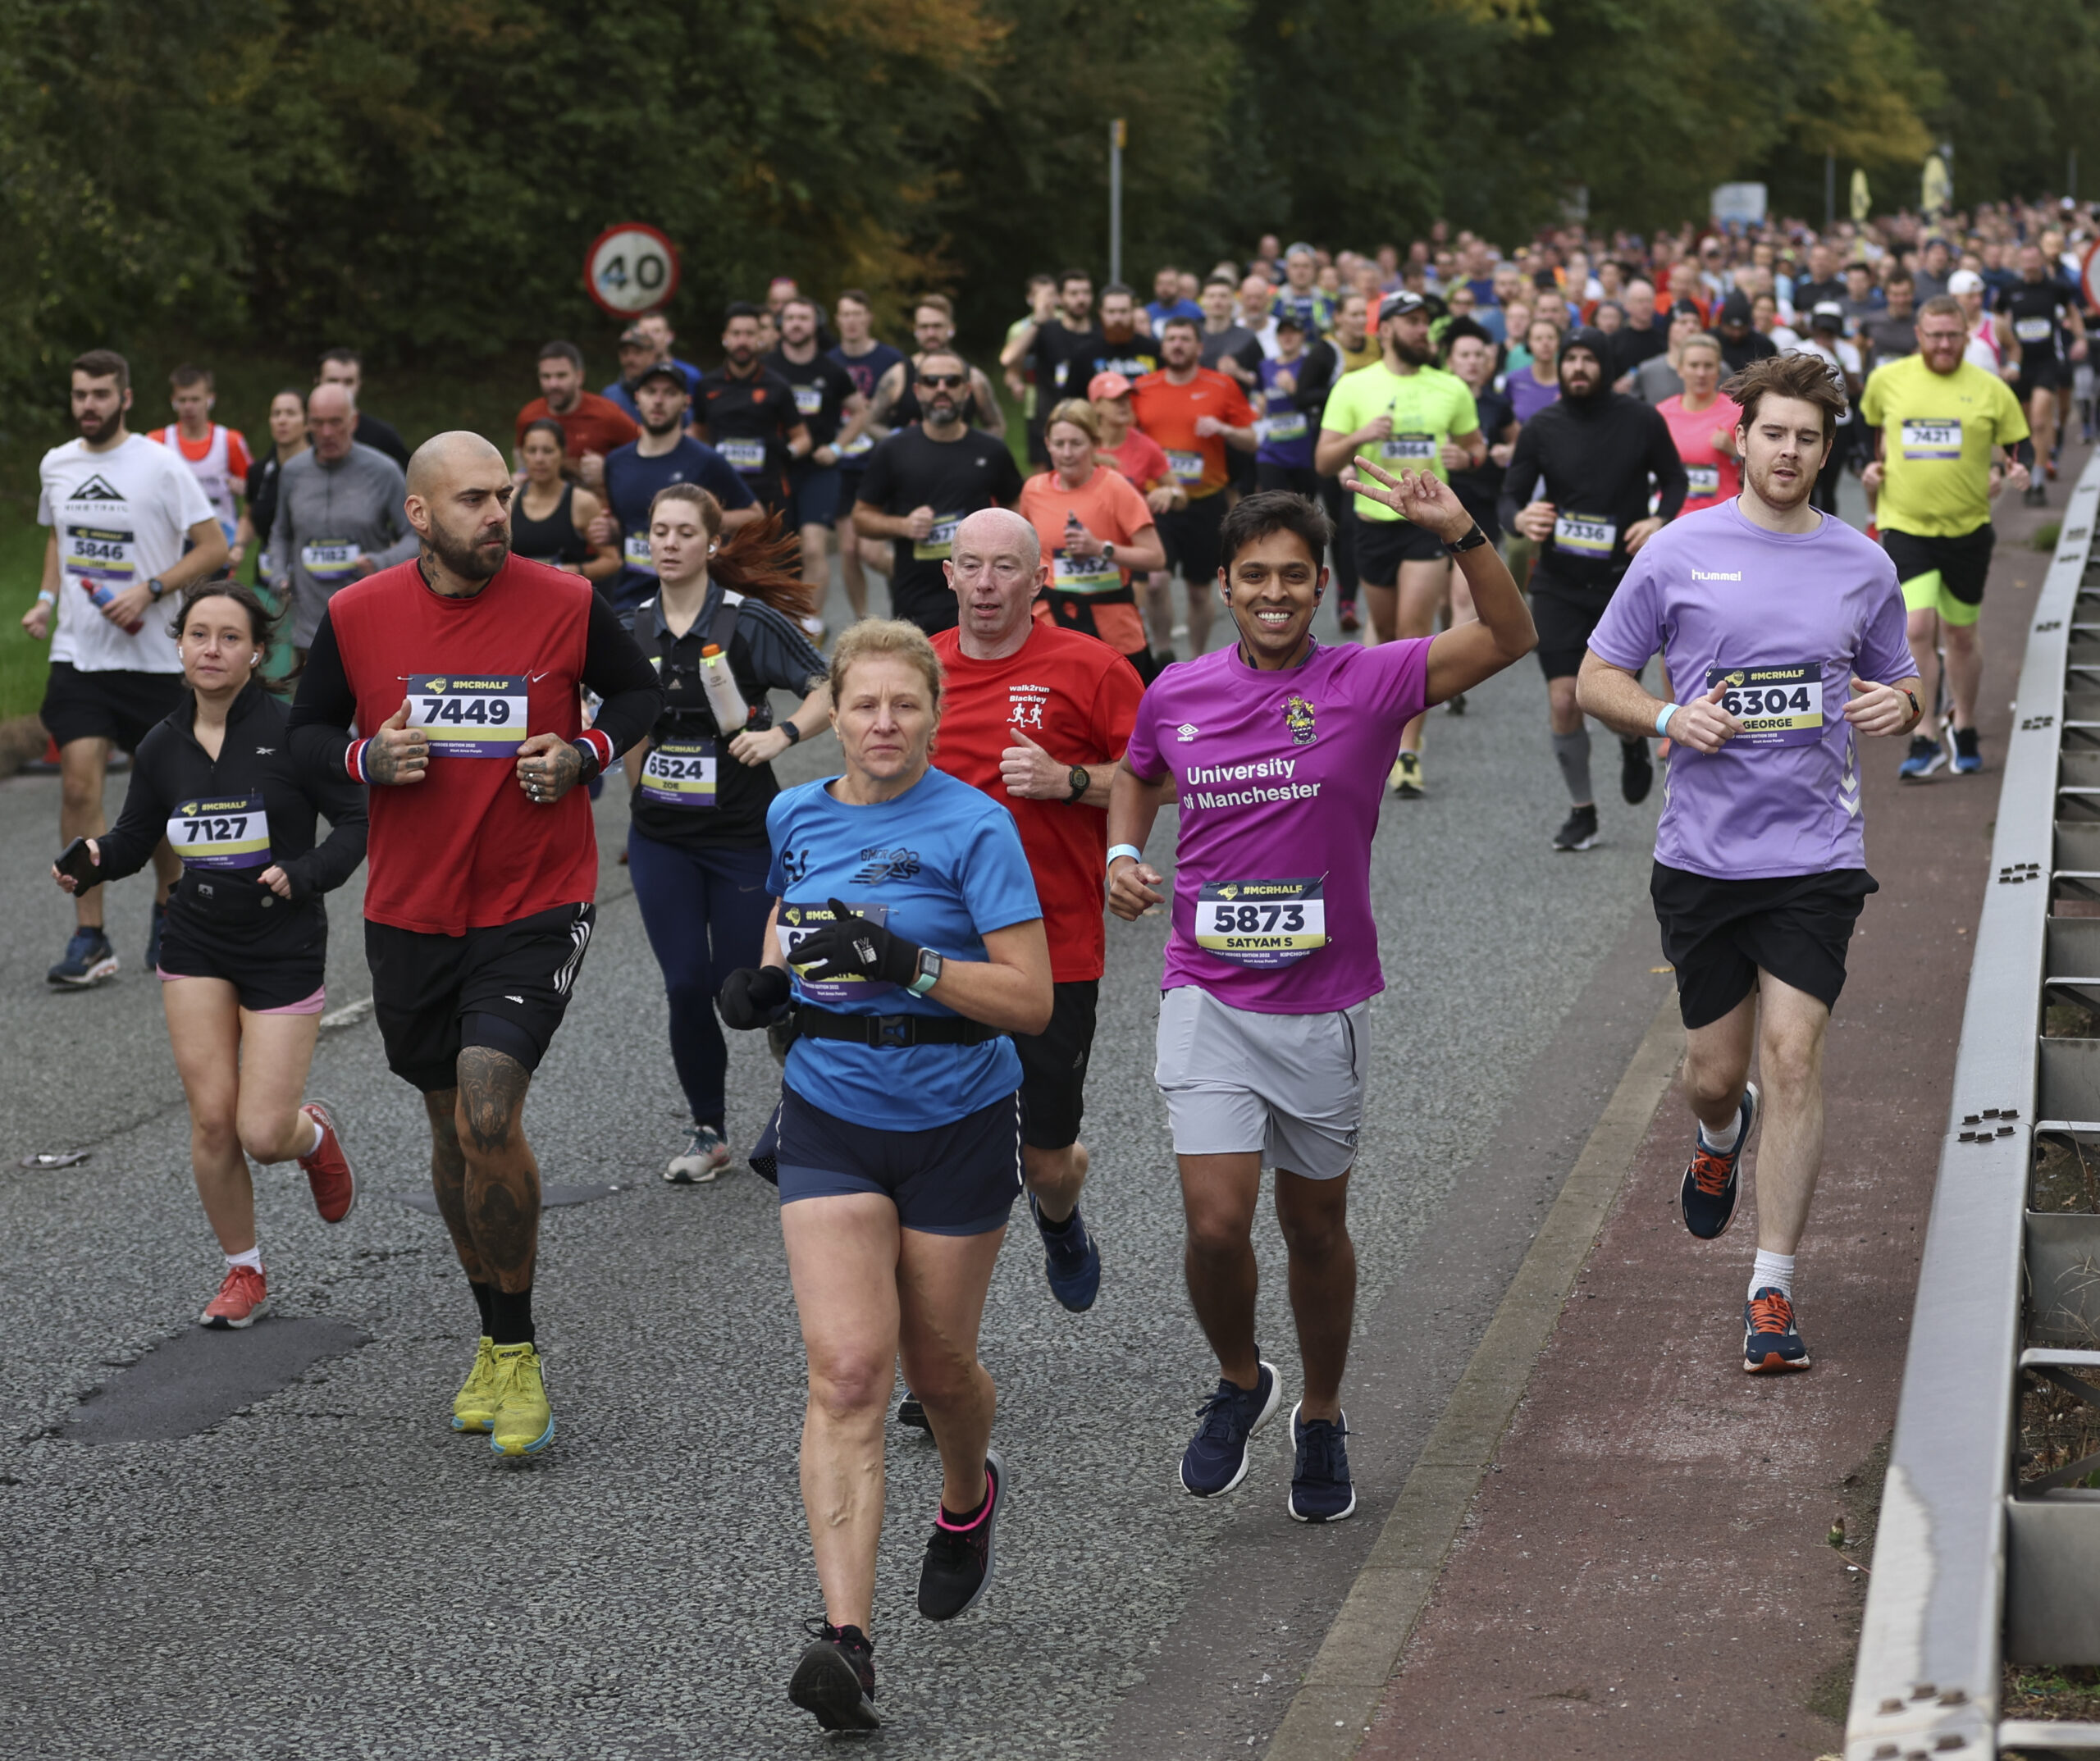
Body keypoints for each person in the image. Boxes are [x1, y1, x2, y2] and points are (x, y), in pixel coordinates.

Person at [1106, 481, 1536, 1521]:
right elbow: (1137, 772)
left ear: (1320, 585)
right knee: (1216, 1225)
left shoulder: (1368, 679)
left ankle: (1325, 1410)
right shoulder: (1178, 690)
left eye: (1294, 573)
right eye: (1253, 574)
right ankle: (1242, 1377)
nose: (1273, 591)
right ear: (1225, 583)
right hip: (1205, 991)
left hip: (1320, 1005)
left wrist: (1462, 535)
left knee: (1313, 1228)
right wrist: (1124, 848)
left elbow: (1511, 635)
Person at [286, 431, 664, 1458]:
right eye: (471, 500)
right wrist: (371, 754)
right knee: (453, 1127)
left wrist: (582, 752)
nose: (496, 513)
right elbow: (306, 734)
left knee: (491, 1099)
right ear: (417, 514)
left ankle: (524, 1347)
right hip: (412, 907)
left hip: (534, 897)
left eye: (502, 495)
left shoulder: (564, 601)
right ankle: (490, 1335)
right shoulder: (360, 615)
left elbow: (640, 697)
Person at [714, 620, 1051, 1731]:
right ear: (837, 713)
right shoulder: (796, 811)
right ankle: (847, 1642)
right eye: (865, 705)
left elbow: (1030, 999)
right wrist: (768, 980)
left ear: (934, 711)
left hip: (958, 1106)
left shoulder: (977, 825)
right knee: (851, 1370)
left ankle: (967, 1494)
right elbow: (792, 910)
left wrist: (904, 961)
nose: (885, 725)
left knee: (939, 1366)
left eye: (906, 705)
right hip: (832, 1108)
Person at [1577, 352, 1923, 1374]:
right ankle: (1718, 1139)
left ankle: (1769, 1290)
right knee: (1714, 1074)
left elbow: (1902, 686)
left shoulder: (1861, 563)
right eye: (1773, 432)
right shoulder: (1679, 552)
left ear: (1828, 451)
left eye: (1808, 438)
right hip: (1703, 858)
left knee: (1792, 1056)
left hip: (1815, 855)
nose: (1789, 450)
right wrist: (1668, 714)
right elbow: (1598, 676)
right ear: (1741, 439)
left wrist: (1897, 705)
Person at [52, 581, 367, 1325]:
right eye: (199, 635)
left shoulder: (295, 733)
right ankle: (243, 1271)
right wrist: (94, 856)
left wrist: (307, 873)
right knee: (214, 1122)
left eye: (230, 637)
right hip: (195, 940)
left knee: (263, 1132)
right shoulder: (163, 743)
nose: (212, 649)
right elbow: (137, 838)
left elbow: (356, 821)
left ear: (258, 652)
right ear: (181, 646)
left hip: (282, 939)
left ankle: (312, 1133)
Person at [930, 507, 1145, 1317]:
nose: (986, 583)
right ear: (948, 573)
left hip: (1054, 947)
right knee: (942, 1158)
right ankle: (939, 1354)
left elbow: (1158, 772)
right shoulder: (919, 669)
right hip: (939, 952)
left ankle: (1060, 1218)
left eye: (1006, 567)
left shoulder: (1091, 668)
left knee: (1043, 1158)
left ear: (1039, 577)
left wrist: (1069, 782)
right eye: (971, 565)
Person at [625, 489, 829, 1181]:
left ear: (711, 544)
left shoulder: (747, 623)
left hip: (743, 832)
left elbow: (829, 683)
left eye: (686, 532)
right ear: (646, 542)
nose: (671, 542)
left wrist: (781, 734)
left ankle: (789, 1025)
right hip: (662, 837)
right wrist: (637, 795)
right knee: (685, 984)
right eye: (660, 530)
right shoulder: (635, 627)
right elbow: (628, 723)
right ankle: (708, 1132)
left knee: (739, 990)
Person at [28, 349, 228, 987]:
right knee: (79, 784)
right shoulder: (57, 465)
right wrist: (45, 599)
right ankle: (89, 934)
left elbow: (215, 546)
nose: (88, 404)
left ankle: (170, 908)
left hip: (148, 659)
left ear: (126, 398)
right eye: (80, 393)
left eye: (100, 394)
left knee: (159, 793)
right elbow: (59, 533)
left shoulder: (161, 466)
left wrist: (150, 587)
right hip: (80, 654)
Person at [1504, 326, 1688, 850]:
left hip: (1621, 584)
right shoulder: (1541, 427)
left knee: (1608, 696)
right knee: (1565, 700)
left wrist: (1659, 520)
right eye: (1570, 359)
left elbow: (1674, 480)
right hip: (1559, 582)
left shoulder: (1640, 420)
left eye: (1588, 359)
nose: (1577, 368)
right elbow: (1509, 498)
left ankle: (1631, 739)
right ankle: (1581, 810)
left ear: (1605, 366)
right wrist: (1521, 516)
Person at [1314, 292, 1484, 796]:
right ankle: (1379, 729)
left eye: (1425, 323)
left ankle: (1408, 752)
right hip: (1373, 523)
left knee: (1413, 633)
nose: (1422, 332)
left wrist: (1467, 456)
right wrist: (1359, 435)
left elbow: (1476, 448)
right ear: (1384, 330)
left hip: (1427, 525)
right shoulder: (1353, 385)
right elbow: (1323, 461)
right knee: (1384, 632)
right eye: (1411, 323)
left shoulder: (1450, 387)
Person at [1858, 294, 2031, 779]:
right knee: (1917, 628)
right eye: (1934, 335)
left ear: (1967, 336)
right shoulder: (1887, 381)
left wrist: (2020, 468)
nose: (1943, 344)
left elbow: (2021, 442)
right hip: (1906, 526)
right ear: (1919, 335)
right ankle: (1925, 732)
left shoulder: (1989, 387)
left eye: (1952, 336)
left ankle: (1967, 726)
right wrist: (1867, 467)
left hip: (1968, 530)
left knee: (1960, 635)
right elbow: (1867, 432)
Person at [851, 349, 1025, 636]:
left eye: (952, 381)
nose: (941, 389)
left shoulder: (990, 450)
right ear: (918, 391)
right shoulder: (893, 450)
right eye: (931, 382)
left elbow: (1017, 506)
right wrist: (904, 526)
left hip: (983, 595)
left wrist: (1000, 540)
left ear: (967, 391)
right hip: (917, 599)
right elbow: (861, 518)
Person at [1132, 316, 1258, 659]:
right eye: (1171, 338)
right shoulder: (1142, 388)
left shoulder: (1221, 386)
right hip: (1159, 501)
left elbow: (1251, 440)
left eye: (1185, 339)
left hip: (1205, 502)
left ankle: (1198, 660)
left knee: (1200, 591)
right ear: (1162, 346)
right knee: (1155, 582)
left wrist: (1223, 428)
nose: (1177, 344)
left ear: (1199, 347)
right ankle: (1162, 654)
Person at [595, 362, 758, 619]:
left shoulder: (706, 460)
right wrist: (613, 531)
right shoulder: (616, 462)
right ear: (638, 399)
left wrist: (697, 523)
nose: (658, 401)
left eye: (670, 393)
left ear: (686, 402)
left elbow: (754, 514)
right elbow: (627, 523)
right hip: (631, 598)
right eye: (651, 392)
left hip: (692, 601)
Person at [1016, 399, 1166, 670]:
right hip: (1052, 622)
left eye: (1076, 443)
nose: (1067, 453)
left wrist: (1100, 548)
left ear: (1095, 444)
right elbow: (1024, 554)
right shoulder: (1034, 490)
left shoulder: (1115, 488)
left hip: (1112, 627)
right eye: (1058, 444)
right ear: (1047, 444)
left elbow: (1156, 557)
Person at [269, 383, 419, 652]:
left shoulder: (383, 471)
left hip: (368, 625)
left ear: (354, 421)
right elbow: (280, 531)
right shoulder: (293, 472)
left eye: (335, 422)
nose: (326, 433)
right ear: (307, 423)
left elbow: (417, 534)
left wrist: (381, 562)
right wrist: (279, 575)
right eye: (317, 423)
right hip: (307, 631)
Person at [768, 294, 868, 617]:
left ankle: (809, 629)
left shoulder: (832, 370)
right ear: (782, 324)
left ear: (816, 325)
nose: (796, 324)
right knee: (777, 552)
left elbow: (861, 411)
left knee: (813, 547)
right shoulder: (767, 367)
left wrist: (838, 447)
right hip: (776, 470)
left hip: (819, 470)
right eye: (791, 318)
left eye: (804, 318)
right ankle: (780, 624)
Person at [828, 290, 907, 621]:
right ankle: (864, 621)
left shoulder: (891, 361)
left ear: (869, 318)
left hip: (880, 464)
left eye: (857, 313)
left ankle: (906, 585)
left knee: (872, 554)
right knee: (848, 550)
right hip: (843, 466)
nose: (851, 321)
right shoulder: (828, 361)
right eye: (845, 314)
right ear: (837, 320)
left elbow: (902, 412)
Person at [696, 303, 810, 513]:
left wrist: (786, 452)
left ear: (760, 338)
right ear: (725, 337)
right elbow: (696, 434)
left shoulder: (778, 386)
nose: (742, 341)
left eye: (749, 334)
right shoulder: (707, 385)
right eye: (737, 333)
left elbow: (803, 438)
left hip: (768, 490)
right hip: (720, 490)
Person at [2002, 243, 2088, 504]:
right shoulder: (2010, 291)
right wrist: (2004, 357)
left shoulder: (2056, 288)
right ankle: (2029, 469)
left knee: (2040, 420)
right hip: (2020, 366)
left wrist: (2080, 338)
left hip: (2047, 362)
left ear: (2041, 261)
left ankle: (2037, 484)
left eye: (2033, 260)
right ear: (2019, 262)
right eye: (2024, 261)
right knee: (2026, 427)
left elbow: (2072, 311)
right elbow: (1999, 323)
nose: (2029, 265)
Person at [147, 365, 251, 567]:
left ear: (210, 399)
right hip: (173, 542)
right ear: (173, 402)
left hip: (221, 541)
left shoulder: (230, 441)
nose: (188, 407)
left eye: (195, 399)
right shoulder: (157, 441)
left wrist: (243, 487)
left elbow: (256, 494)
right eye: (182, 400)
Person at [999, 269, 1102, 464]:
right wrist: (1038, 321)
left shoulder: (1101, 334)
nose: (1081, 299)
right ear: (1060, 298)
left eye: (1086, 292)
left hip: (1092, 423)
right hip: (1049, 422)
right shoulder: (1046, 331)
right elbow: (1008, 359)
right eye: (1073, 293)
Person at [871, 294, 1006, 440]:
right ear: (915, 330)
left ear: (951, 328)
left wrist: (973, 448)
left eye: (937, 326)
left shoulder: (974, 378)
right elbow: (871, 423)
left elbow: (996, 426)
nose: (931, 333)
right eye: (924, 327)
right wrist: (899, 442)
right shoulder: (898, 376)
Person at [513, 342, 637, 486]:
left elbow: (644, 452)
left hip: (596, 503)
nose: (553, 384)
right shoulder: (529, 416)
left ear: (579, 377)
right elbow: (520, 458)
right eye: (546, 377)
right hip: (543, 504)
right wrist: (521, 478)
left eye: (561, 376)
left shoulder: (609, 415)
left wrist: (608, 468)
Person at [511, 419, 619, 582]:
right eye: (532, 451)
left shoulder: (581, 502)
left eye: (548, 451)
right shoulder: (511, 501)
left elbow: (612, 560)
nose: (539, 459)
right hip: (520, 598)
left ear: (562, 454)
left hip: (566, 598)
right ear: (523, 455)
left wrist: (576, 571)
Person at [1654, 334, 1742, 515]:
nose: (1701, 373)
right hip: (1672, 518)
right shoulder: (1662, 413)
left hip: (1721, 517)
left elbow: (1761, 470)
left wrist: (1734, 451)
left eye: (1708, 366)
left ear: (1718, 370)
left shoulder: (1738, 413)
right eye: (1694, 365)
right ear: (1680, 369)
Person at [1793, 304, 1863, 515]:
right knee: (1808, 482)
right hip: (1805, 422)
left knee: (1830, 484)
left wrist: (1836, 356)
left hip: (1839, 424)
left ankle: (1829, 528)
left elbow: (1855, 388)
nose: (1824, 336)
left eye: (1829, 332)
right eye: (1821, 331)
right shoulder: (1800, 348)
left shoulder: (1848, 350)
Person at [235, 389, 308, 582]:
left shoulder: (323, 469)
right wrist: (239, 546)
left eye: (290, 413)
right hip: (266, 577)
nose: (282, 420)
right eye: (276, 414)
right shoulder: (258, 471)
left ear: (308, 422)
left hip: (312, 580)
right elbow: (249, 516)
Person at [314, 349, 411, 469]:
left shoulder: (383, 438)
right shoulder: (303, 434)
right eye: (333, 381)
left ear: (359, 385)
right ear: (318, 381)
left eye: (348, 382)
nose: (341, 388)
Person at [1948, 269, 2016, 378]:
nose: (1978, 301)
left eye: (1980, 295)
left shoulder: (1995, 323)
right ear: (1954, 298)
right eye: (1970, 296)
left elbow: (2014, 347)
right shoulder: (1943, 327)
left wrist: (2013, 367)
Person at [1632, 304, 1705, 405]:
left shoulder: (1718, 369)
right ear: (1669, 328)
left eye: (1696, 322)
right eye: (1683, 322)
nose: (1691, 327)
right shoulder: (1648, 371)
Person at [1859, 271, 1919, 371]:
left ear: (1913, 294)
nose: (1901, 300)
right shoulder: (1872, 320)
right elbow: (1857, 346)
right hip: (1878, 381)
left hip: (1908, 381)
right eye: (1895, 295)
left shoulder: (1921, 322)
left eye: (1905, 294)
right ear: (1887, 295)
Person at [1148, 264, 1203, 331]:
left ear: (1179, 286)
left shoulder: (1195, 312)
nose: (1164, 288)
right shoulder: (1147, 313)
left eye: (1170, 284)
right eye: (1160, 283)